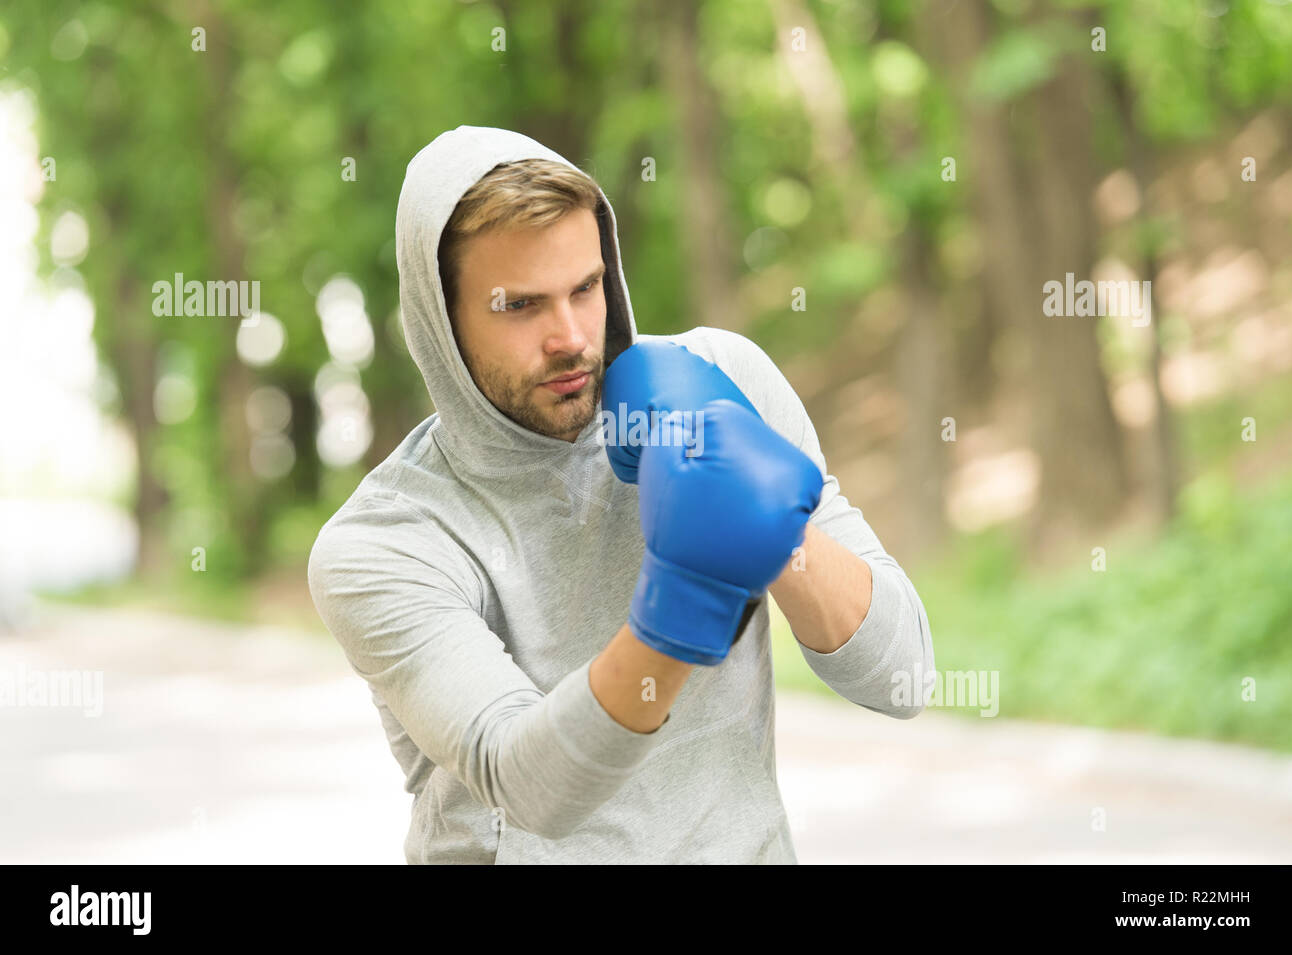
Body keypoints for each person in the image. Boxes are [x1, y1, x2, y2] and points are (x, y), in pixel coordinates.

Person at [307, 125, 934, 864]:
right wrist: (688, 602)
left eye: (585, 287)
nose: (571, 336)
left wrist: (777, 529)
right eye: (521, 306)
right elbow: (530, 783)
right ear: (441, 324)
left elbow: (905, 676)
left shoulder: (723, 388)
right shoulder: (385, 541)